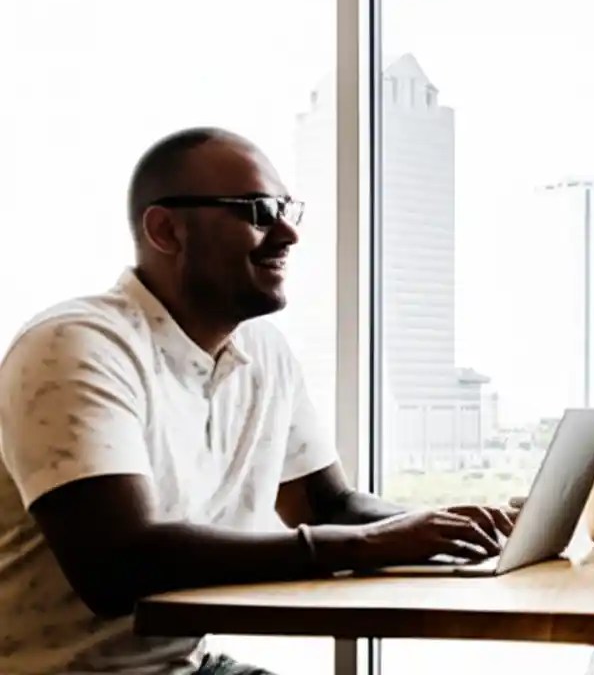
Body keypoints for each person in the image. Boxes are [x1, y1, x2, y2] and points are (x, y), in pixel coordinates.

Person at [0, 127, 511, 674]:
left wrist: (464, 526)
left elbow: (327, 507)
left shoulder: (262, 352)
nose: (288, 232)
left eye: (288, 209)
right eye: (259, 211)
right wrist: (366, 545)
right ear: (166, 230)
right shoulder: (76, 345)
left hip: (187, 666)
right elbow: (117, 567)